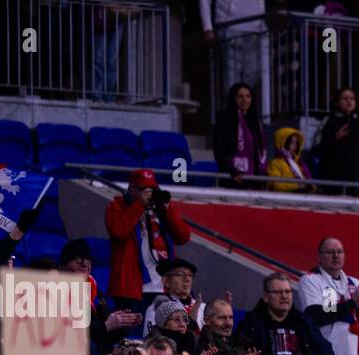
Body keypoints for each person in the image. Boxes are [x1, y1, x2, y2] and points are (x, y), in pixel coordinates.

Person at [105, 168, 192, 311]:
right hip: (131, 288)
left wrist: (166, 210)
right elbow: (119, 231)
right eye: (143, 189)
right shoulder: (116, 206)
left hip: (162, 286)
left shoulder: (160, 210)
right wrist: (139, 205)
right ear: (131, 189)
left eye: (152, 189)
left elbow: (183, 237)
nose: (149, 193)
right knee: (131, 332)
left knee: (162, 332)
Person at [295, 237, 359, 355]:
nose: (336, 256)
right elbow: (319, 316)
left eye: (340, 252)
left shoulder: (353, 282)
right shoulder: (312, 280)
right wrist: (353, 302)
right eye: (330, 252)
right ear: (320, 256)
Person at [234, 272, 337, 355]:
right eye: (278, 292)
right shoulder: (251, 322)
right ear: (265, 296)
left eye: (287, 291)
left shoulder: (304, 322)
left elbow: (326, 354)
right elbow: (239, 352)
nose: (284, 296)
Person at [213, 82, 270, 186]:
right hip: (234, 179)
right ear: (233, 99)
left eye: (248, 96)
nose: (245, 100)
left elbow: (259, 151)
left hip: (254, 179)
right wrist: (232, 171)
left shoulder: (255, 121)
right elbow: (219, 150)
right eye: (240, 96)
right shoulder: (225, 119)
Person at [315, 87, 359, 191]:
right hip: (332, 176)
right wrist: (334, 138)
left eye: (352, 98)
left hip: (355, 177)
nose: (349, 101)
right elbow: (317, 149)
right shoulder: (329, 121)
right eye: (345, 98)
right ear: (337, 102)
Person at [143, 258, 204, 334]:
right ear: (166, 281)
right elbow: (152, 340)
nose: (187, 279)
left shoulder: (203, 307)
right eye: (181, 274)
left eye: (190, 275)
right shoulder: (157, 308)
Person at [265, 126, 314, 192]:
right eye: (291, 143)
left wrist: (310, 187)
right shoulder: (275, 163)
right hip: (285, 199)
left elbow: (307, 182)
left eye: (296, 143)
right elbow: (275, 185)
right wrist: (297, 186)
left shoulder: (299, 164)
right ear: (283, 143)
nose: (295, 146)